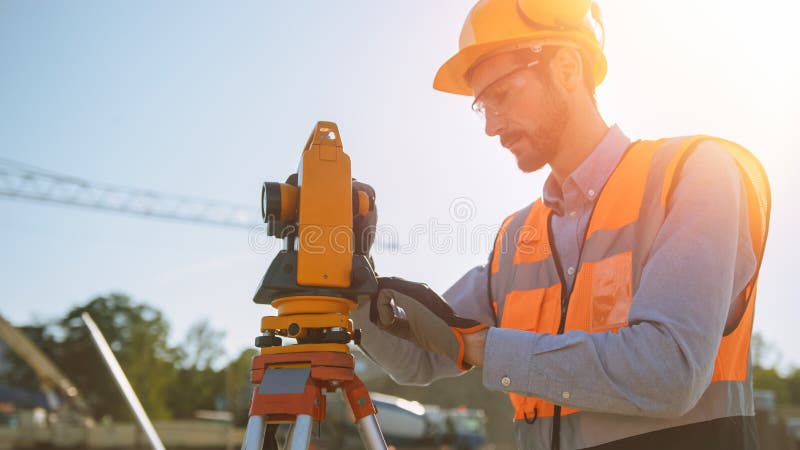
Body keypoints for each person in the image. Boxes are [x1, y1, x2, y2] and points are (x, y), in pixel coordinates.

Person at [352, 1, 771, 449]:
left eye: (502, 93)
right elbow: (417, 358)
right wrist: (345, 283)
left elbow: (670, 370)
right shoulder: (517, 239)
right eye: (482, 107)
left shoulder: (692, 175)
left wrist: (479, 347)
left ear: (567, 68)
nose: (491, 126)